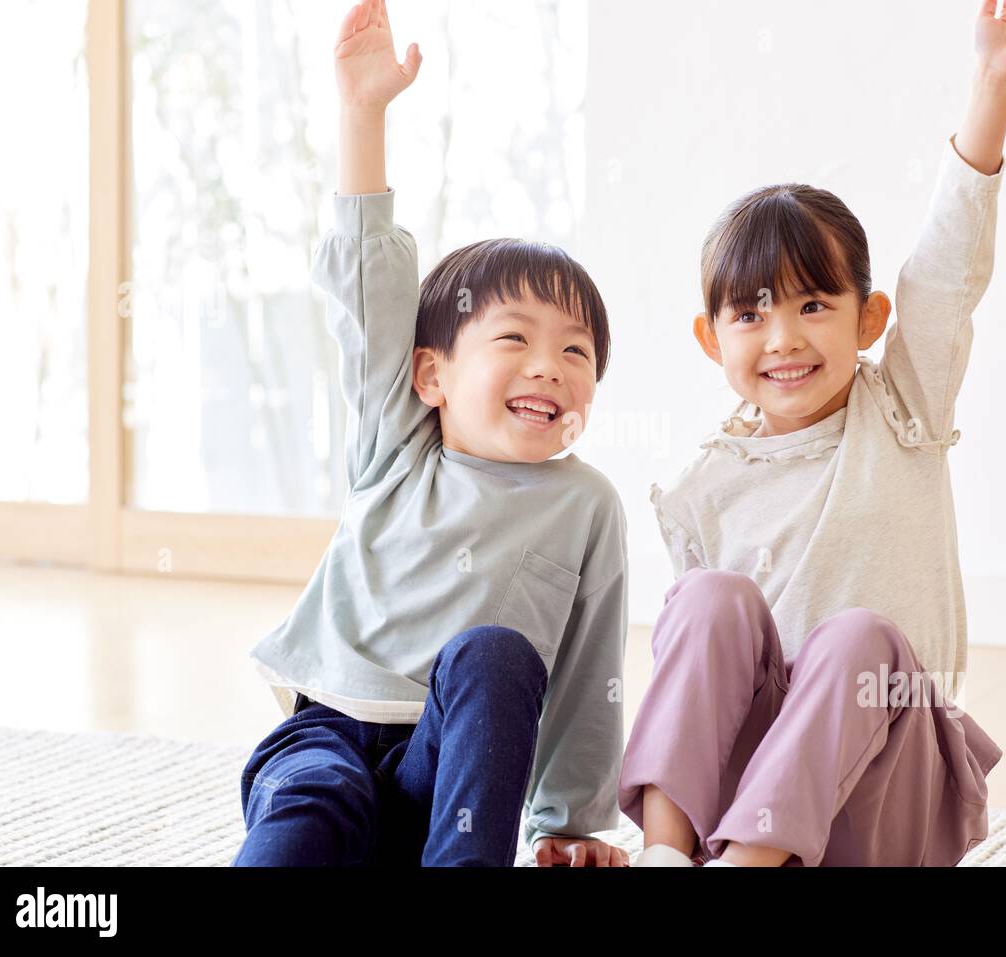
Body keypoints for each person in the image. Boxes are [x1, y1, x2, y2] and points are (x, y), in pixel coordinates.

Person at [621, 0, 1006, 867]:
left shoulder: (903, 404)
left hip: (884, 796)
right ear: (712, 340)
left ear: (868, 320)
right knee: (707, 599)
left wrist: (993, 80)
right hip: (752, 797)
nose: (783, 337)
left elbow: (948, 262)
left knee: (860, 637)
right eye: (750, 314)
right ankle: (668, 857)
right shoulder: (705, 486)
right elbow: (703, 693)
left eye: (813, 305)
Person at [234, 0, 629, 868]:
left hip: (446, 794)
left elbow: (592, 667)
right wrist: (363, 114)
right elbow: (370, 294)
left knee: (495, 654)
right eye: (515, 339)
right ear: (431, 377)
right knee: (310, 807)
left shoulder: (587, 503)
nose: (549, 367)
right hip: (323, 740)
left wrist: (570, 817)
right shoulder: (397, 440)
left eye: (575, 351)